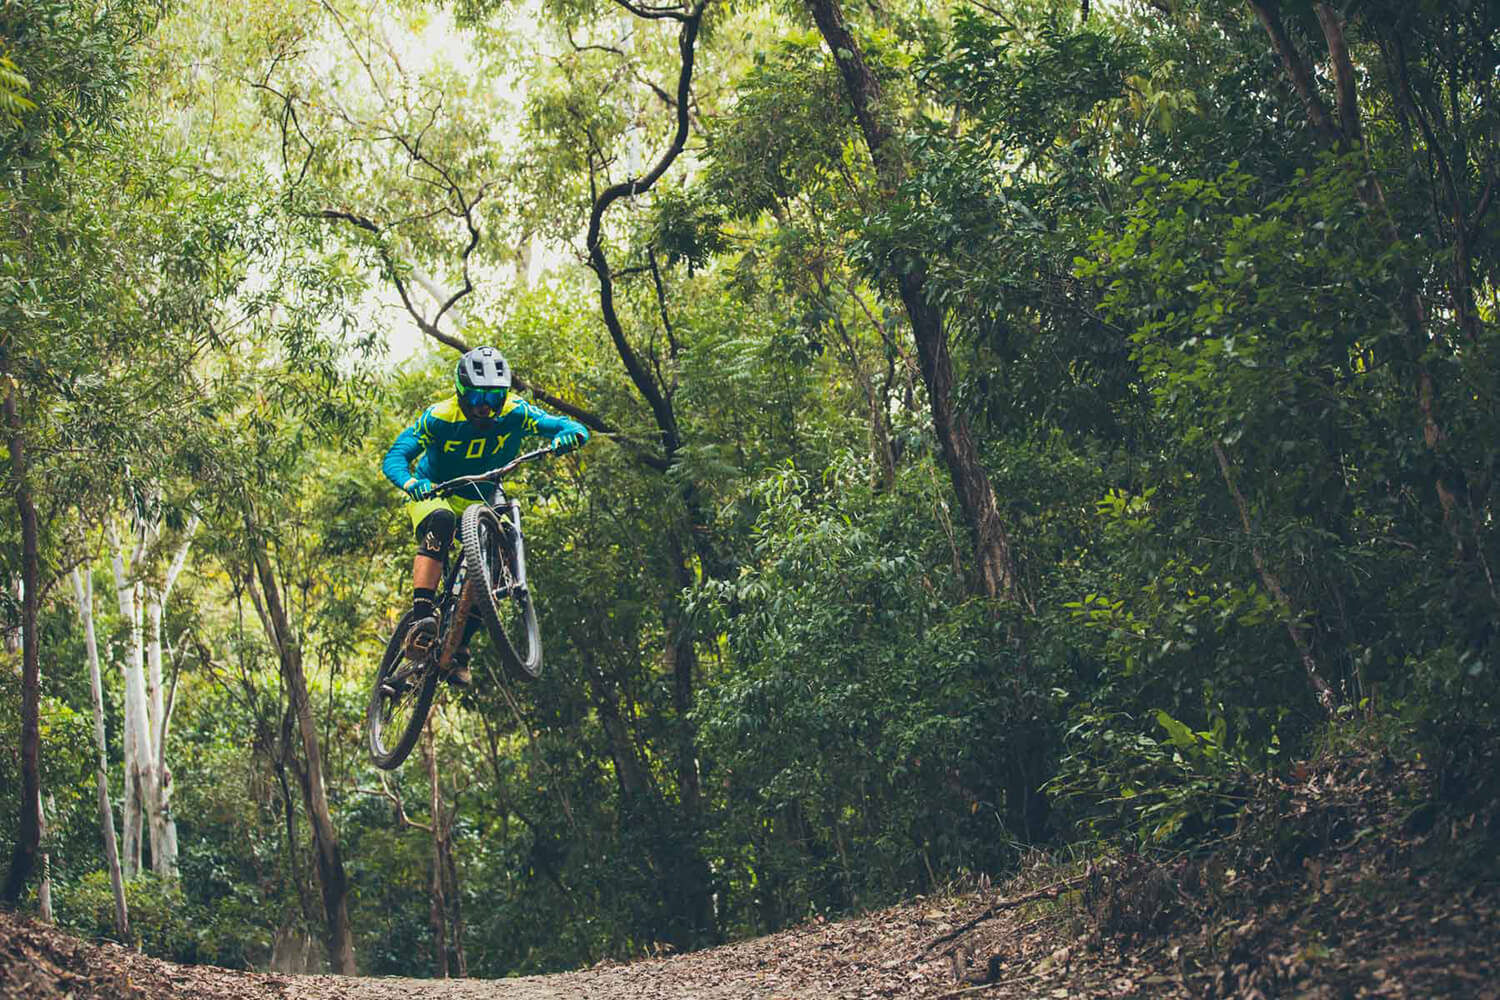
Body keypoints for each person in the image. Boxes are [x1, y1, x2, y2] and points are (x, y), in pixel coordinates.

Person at [382, 346, 588, 684]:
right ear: (461, 392)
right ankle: (422, 621)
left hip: (484, 493)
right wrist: (409, 483)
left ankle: (460, 649)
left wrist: (569, 436)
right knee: (442, 521)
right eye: (477, 395)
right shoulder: (440, 417)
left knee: (498, 553)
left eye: (494, 397)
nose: (485, 406)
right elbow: (396, 456)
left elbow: (569, 427)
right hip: (436, 491)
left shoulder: (516, 413)